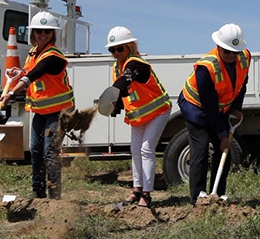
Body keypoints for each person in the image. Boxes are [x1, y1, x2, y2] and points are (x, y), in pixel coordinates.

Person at [0, 11, 75, 200]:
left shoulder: (53, 56)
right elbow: (28, 70)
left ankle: (54, 195)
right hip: (40, 112)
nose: (43, 34)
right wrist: (18, 72)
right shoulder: (33, 53)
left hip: (58, 112)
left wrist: (11, 92)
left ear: (52, 34)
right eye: (39, 31)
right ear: (33, 33)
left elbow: (34, 74)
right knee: (35, 150)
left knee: (50, 151)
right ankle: (38, 193)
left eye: (47, 32)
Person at [178, 23, 249, 205]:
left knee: (224, 151)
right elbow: (209, 107)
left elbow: (241, 84)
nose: (232, 56)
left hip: (222, 109)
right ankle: (198, 198)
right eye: (227, 52)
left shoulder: (244, 57)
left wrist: (236, 108)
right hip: (197, 108)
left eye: (235, 52)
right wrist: (221, 134)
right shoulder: (206, 68)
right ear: (218, 47)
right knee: (200, 151)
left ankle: (218, 194)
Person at [105, 26, 172, 207]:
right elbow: (125, 90)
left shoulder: (136, 64)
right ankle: (137, 189)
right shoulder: (117, 66)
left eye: (120, 48)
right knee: (135, 151)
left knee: (145, 149)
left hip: (158, 111)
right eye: (112, 50)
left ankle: (147, 195)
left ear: (130, 47)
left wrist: (111, 95)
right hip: (140, 115)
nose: (116, 53)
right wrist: (115, 105)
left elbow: (125, 80)